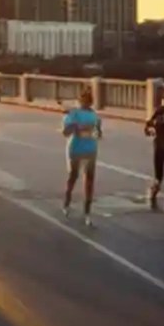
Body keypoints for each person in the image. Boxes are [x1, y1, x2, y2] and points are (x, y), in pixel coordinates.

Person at [62, 89, 103, 227]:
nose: (86, 102)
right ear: (80, 100)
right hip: (76, 148)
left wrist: (96, 132)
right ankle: (67, 201)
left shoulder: (95, 116)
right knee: (73, 176)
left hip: (90, 149)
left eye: (88, 99)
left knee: (90, 181)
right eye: (83, 99)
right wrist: (74, 127)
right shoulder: (73, 114)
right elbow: (65, 132)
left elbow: (98, 132)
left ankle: (87, 212)